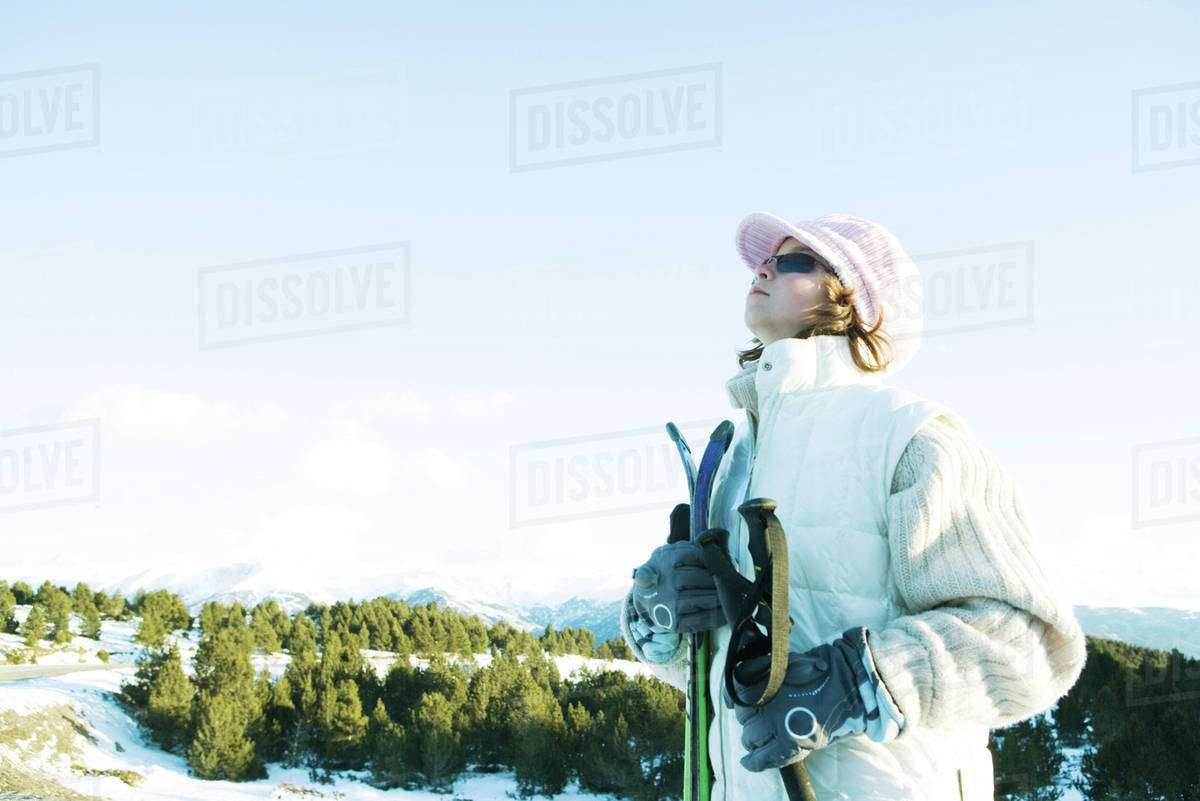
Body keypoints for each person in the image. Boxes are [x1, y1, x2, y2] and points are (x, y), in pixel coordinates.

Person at [620, 212, 1087, 801]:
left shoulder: (911, 436)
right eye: (767, 259)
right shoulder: (732, 452)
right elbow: (713, 675)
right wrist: (657, 618)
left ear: (855, 299)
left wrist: (856, 682)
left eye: (794, 261)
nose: (763, 267)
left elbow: (1027, 641)